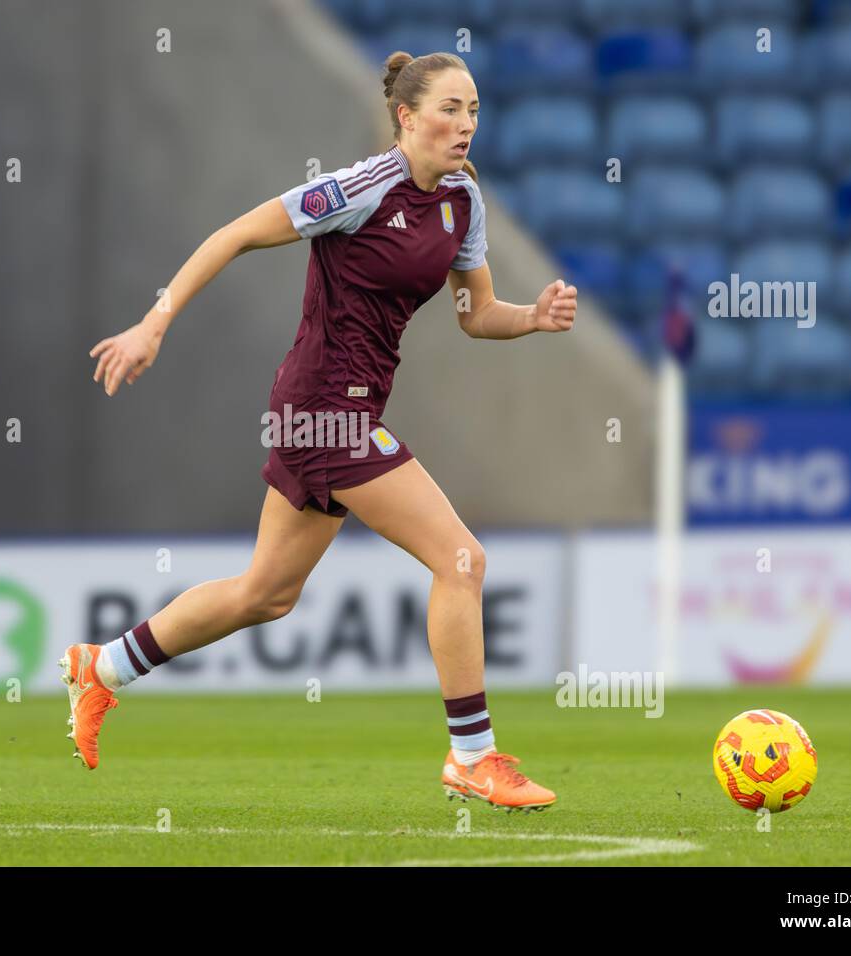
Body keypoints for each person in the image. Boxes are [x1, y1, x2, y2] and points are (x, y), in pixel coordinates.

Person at [71, 50, 578, 812]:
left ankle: (102, 668)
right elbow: (232, 235)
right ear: (405, 117)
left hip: (351, 410)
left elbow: (476, 316)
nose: (465, 124)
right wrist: (153, 323)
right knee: (462, 561)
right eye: (448, 108)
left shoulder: (462, 203)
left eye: (473, 109)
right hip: (320, 409)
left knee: (265, 594)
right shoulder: (356, 189)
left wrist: (532, 319)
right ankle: (472, 757)